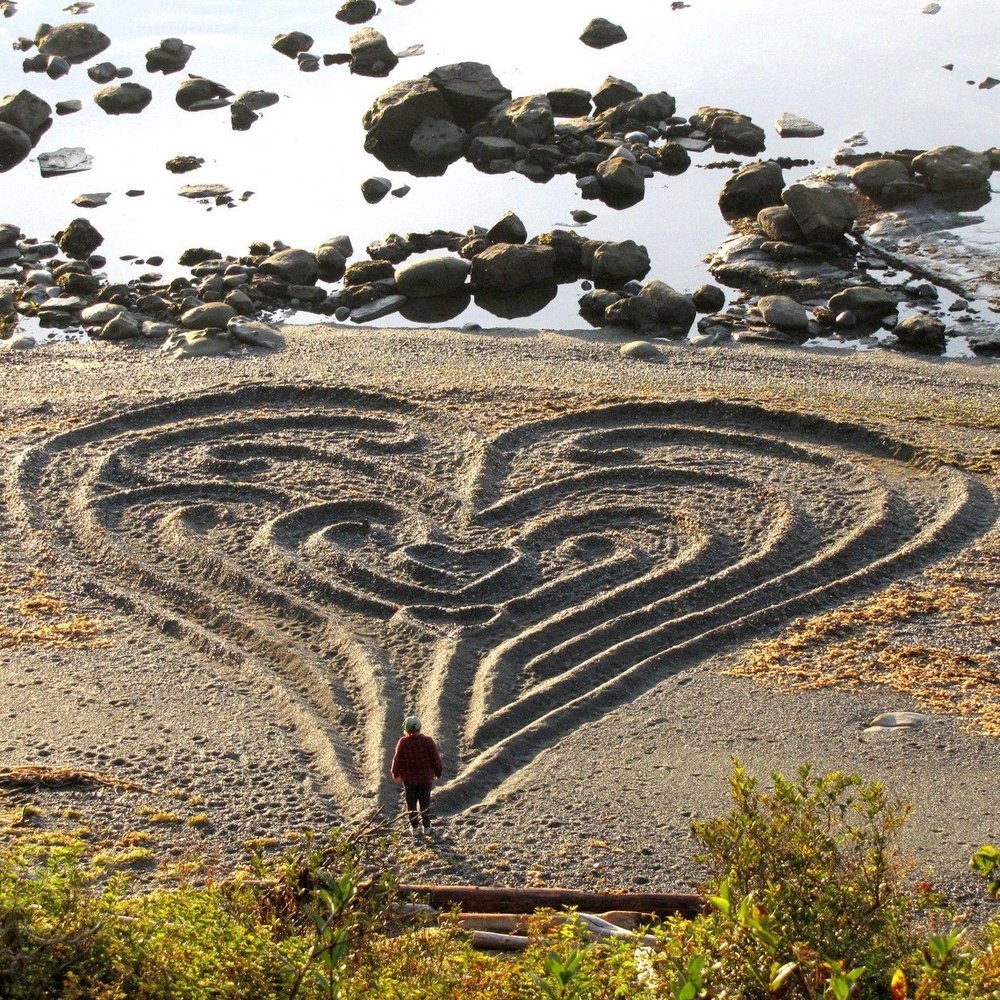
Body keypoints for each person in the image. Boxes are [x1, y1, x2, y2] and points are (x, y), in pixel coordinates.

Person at [390, 716, 443, 837]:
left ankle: (414, 827)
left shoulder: (403, 742)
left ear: (406, 729)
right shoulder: (428, 741)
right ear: (419, 727)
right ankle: (427, 827)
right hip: (426, 777)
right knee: (425, 802)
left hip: (409, 778)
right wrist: (438, 772)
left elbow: (397, 759)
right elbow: (436, 759)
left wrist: (395, 773)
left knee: (411, 802)